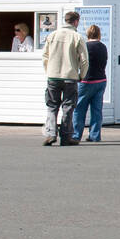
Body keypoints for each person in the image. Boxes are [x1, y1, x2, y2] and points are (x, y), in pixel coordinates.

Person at [42, 10, 87, 146]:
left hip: (53, 76)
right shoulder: (77, 37)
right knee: (68, 106)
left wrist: (48, 71)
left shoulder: (52, 35)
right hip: (70, 76)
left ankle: (50, 133)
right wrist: (81, 75)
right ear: (76, 22)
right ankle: (66, 135)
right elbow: (84, 60)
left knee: (52, 105)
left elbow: (45, 56)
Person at [73, 25, 108, 143]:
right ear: (99, 34)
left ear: (87, 34)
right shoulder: (103, 47)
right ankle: (95, 135)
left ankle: (76, 134)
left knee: (79, 108)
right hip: (101, 80)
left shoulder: (85, 46)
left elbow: (80, 62)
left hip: (86, 80)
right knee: (97, 110)